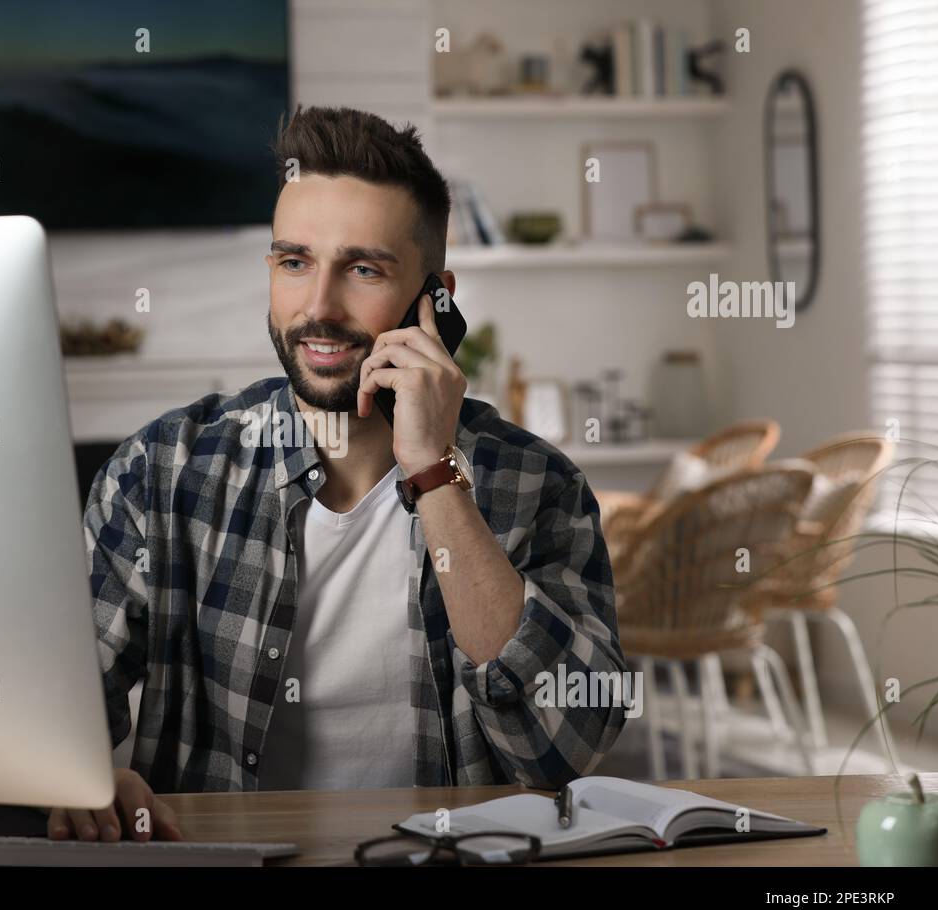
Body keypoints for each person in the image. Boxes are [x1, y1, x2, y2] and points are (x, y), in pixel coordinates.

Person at [48, 106, 628, 843]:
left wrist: (435, 478)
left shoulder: (536, 484)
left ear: (436, 297)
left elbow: (565, 748)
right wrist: (83, 778)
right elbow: (57, 715)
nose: (317, 308)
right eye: (294, 262)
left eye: (363, 269)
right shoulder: (161, 473)